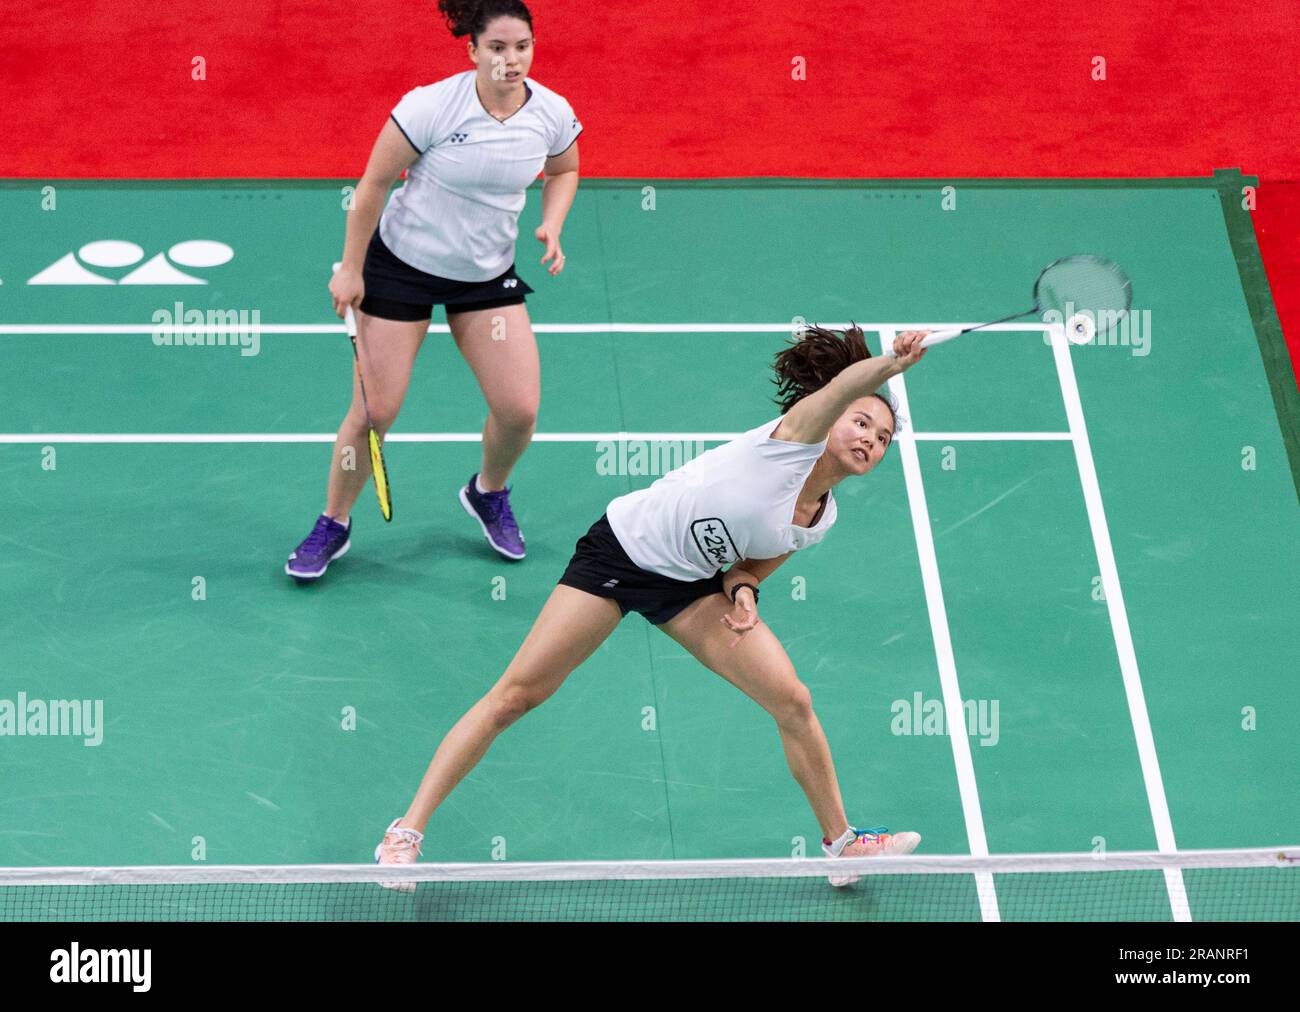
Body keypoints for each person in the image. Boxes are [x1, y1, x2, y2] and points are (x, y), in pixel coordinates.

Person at [375, 326, 931, 886]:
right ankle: (404, 834)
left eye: (883, 438)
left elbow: (749, 568)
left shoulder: (820, 516)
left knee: (793, 700)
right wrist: (891, 364)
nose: (870, 439)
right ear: (832, 414)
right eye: (861, 422)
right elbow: (842, 388)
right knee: (515, 697)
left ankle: (841, 845)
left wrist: (742, 593)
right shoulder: (792, 440)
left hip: (688, 583)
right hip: (621, 552)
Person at [286, 0, 581, 580]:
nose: (510, 60)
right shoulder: (430, 107)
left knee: (519, 411)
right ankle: (334, 522)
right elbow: (372, 185)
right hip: (402, 267)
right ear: (472, 51)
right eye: (496, 48)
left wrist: (553, 222)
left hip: (485, 275)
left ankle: (487, 493)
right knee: (374, 413)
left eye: (521, 47)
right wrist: (351, 268)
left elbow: (564, 168)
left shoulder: (550, 112)